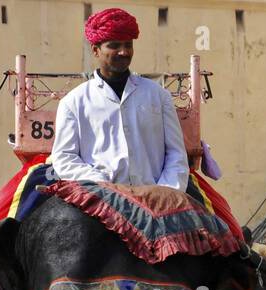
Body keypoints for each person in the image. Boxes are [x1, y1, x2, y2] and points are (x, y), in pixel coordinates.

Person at [50, 7, 189, 190]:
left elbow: (176, 154)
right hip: (100, 196)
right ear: (95, 50)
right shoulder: (74, 102)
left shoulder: (158, 95)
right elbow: (65, 157)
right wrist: (103, 185)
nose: (124, 52)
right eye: (114, 45)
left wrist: (165, 192)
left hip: (157, 197)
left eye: (128, 45)